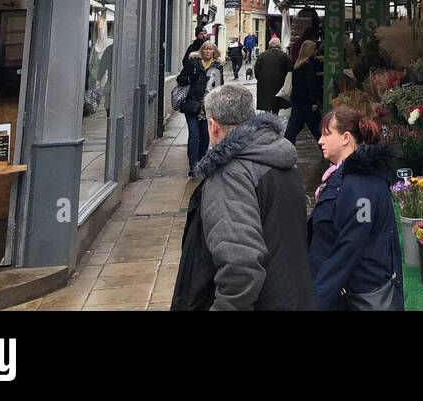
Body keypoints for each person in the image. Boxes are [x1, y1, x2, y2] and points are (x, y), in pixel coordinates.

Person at [171, 84, 315, 311]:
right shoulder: (281, 157)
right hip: (293, 295)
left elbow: (240, 266)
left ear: (213, 126)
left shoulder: (231, 175)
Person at [308, 106, 402, 311]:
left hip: (358, 294)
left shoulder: (361, 184)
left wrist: (320, 295)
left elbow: (351, 243)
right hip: (345, 290)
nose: (320, 141)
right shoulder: (341, 176)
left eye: (326, 134)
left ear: (346, 138)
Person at [176, 40, 224, 176]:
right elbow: (180, 79)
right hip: (192, 104)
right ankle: (193, 165)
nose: (208, 52)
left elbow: (219, 87)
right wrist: (191, 78)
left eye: (210, 50)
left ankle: (202, 161)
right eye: (205, 49)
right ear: (201, 51)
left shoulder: (217, 66)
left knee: (204, 135)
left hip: (207, 106)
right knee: (194, 134)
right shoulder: (193, 63)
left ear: (214, 52)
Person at [283, 40, 322, 144]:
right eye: (314, 49)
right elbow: (310, 85)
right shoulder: (308, 65)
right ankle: (326, 150)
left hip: (297, 100)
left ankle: (287, 148)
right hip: (306, 102)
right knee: (316, 129)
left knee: (292, 129)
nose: (316, 51)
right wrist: (313, 101)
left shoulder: (298, 64)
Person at [254, 34, 291, 114]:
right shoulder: (284, 56)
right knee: (276, 105)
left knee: (266, 104)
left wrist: (260, 79)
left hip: (264, 84)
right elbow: (289, 70)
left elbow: (256, 70)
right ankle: (274, 118)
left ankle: (267, 119)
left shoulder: (262, 56)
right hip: (279, 84)